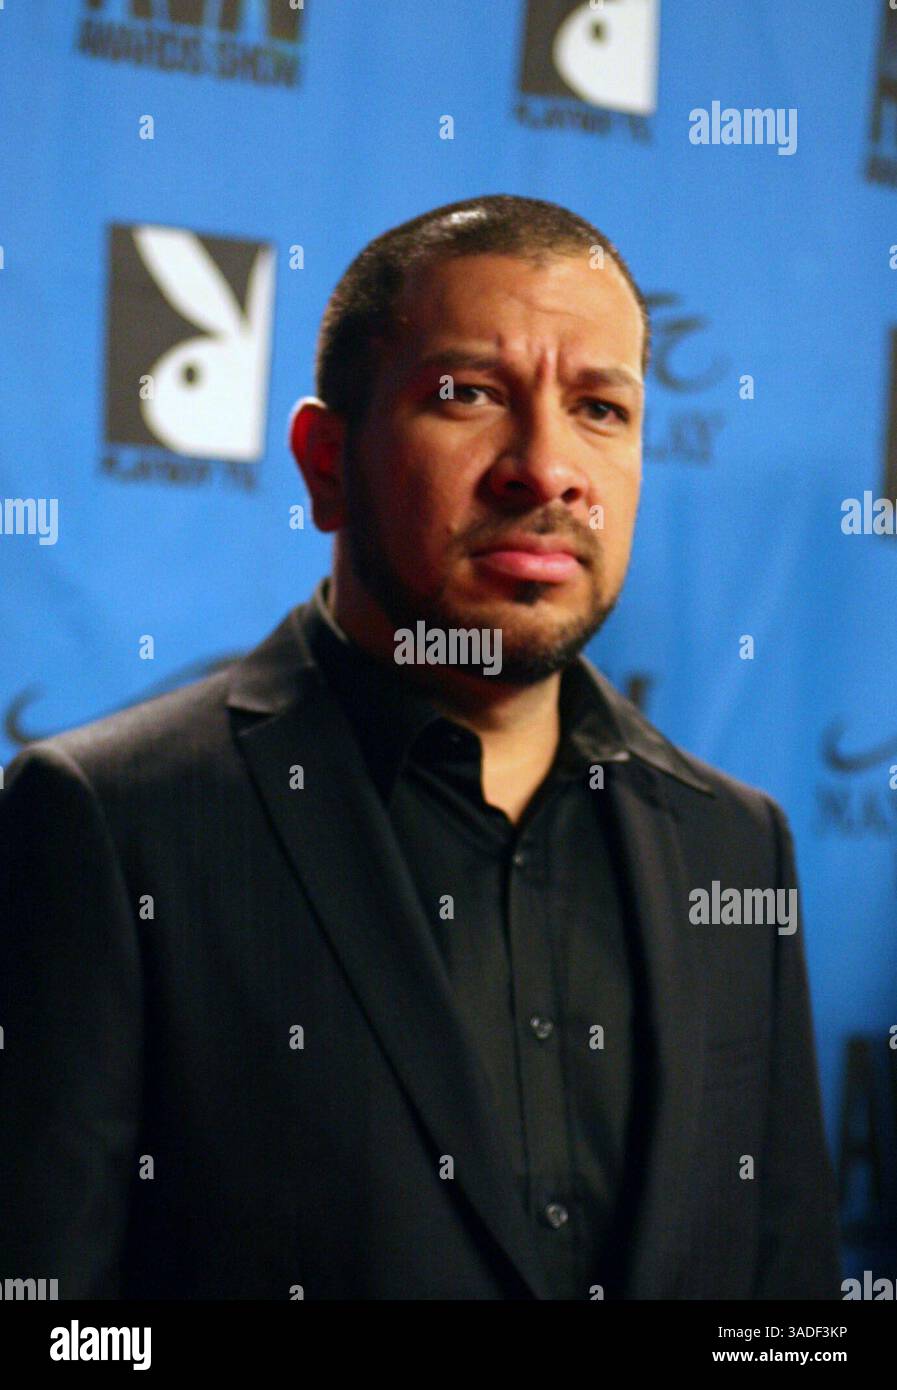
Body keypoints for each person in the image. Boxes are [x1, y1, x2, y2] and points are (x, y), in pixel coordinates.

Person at [0, 194, 841, 1300]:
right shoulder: (113, 823)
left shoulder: (736, 846)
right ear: (325, 462)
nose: (547, 470)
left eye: (600, 409)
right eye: (472, 396)